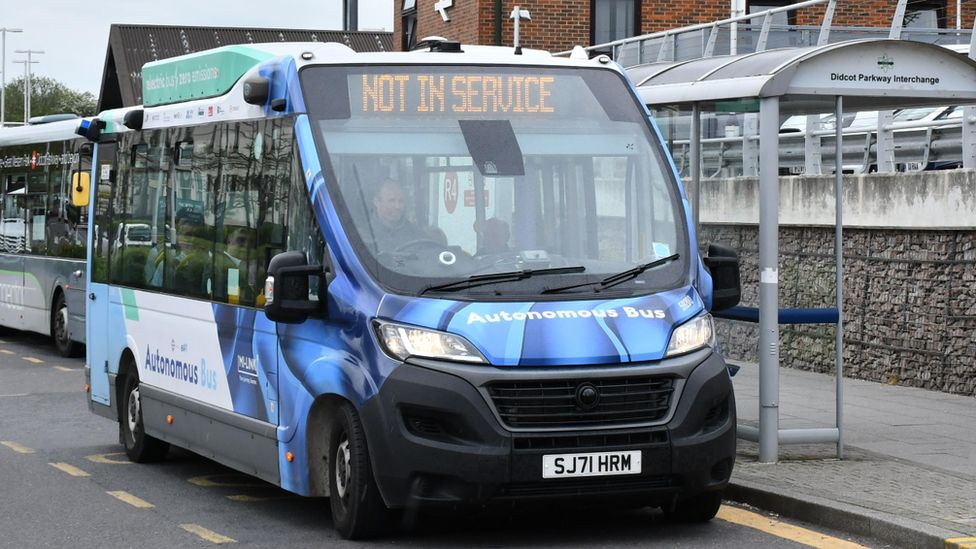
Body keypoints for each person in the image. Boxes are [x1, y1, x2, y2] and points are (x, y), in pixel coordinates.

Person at [367, 178, 428, 253]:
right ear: (376, 202)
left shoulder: (416, 234)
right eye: (391, 200)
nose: (397, 206)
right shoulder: (365, 234)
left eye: (401, 201)